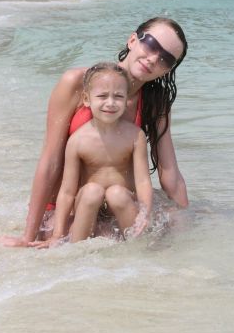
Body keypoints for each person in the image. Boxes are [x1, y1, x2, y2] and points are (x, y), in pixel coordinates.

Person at [0, 16, 188, 247]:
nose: (154, 58)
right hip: (72, 209)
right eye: (152, 45)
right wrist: (28, 236)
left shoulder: (155, 102)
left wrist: (188, 232)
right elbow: (51, 160)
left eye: (166, 59)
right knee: (73, 246)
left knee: (168, 229)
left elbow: (170, 175)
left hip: (117, 207)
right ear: (132, 40)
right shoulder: (77, 83)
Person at [31, 62, 153, 247]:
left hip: (120, 205)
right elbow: (67, 191)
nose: (110, 103)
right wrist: (57, 234)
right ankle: (76, 251)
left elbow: (143, 181)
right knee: (92, 191)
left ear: (126, 99)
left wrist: (145, 213)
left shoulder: (135, 136)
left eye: (118, 96)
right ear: (87, 99)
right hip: (88, 206)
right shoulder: (78, 140)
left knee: (116, 193)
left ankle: (141, 248)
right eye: (102, 96)